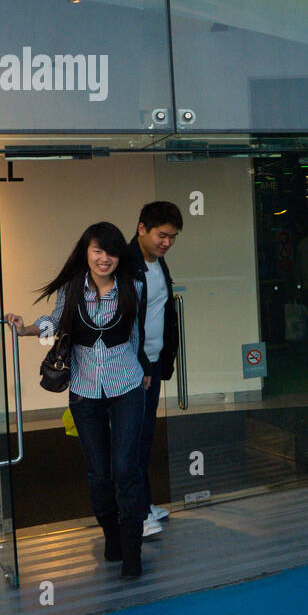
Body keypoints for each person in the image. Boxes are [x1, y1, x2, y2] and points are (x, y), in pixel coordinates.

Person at [6, 222, 153, 578]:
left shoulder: (133, 287)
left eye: (111, 252)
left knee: (126, 468)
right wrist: (24, 328)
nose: (105, 259)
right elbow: (55, 322)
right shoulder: (73, 288)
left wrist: (145, 368)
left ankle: (132, 551)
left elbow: (138, 333)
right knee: (100, 473)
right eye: (98, 251)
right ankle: (111, 535)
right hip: (85, 390)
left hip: (127, 386)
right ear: (86, 253)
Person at [129, 201, 182, 537]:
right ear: (142, 229)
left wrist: (165, 359)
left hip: (153, 361)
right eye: (162, 235)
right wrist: (140, 363)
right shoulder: (123, 264)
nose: (167, 243)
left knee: (144, 437)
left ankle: (144, 503)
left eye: (173, 238)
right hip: (132, 367)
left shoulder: (159, 263)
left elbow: (163, 312)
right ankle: (134, 513)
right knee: (132, 440)